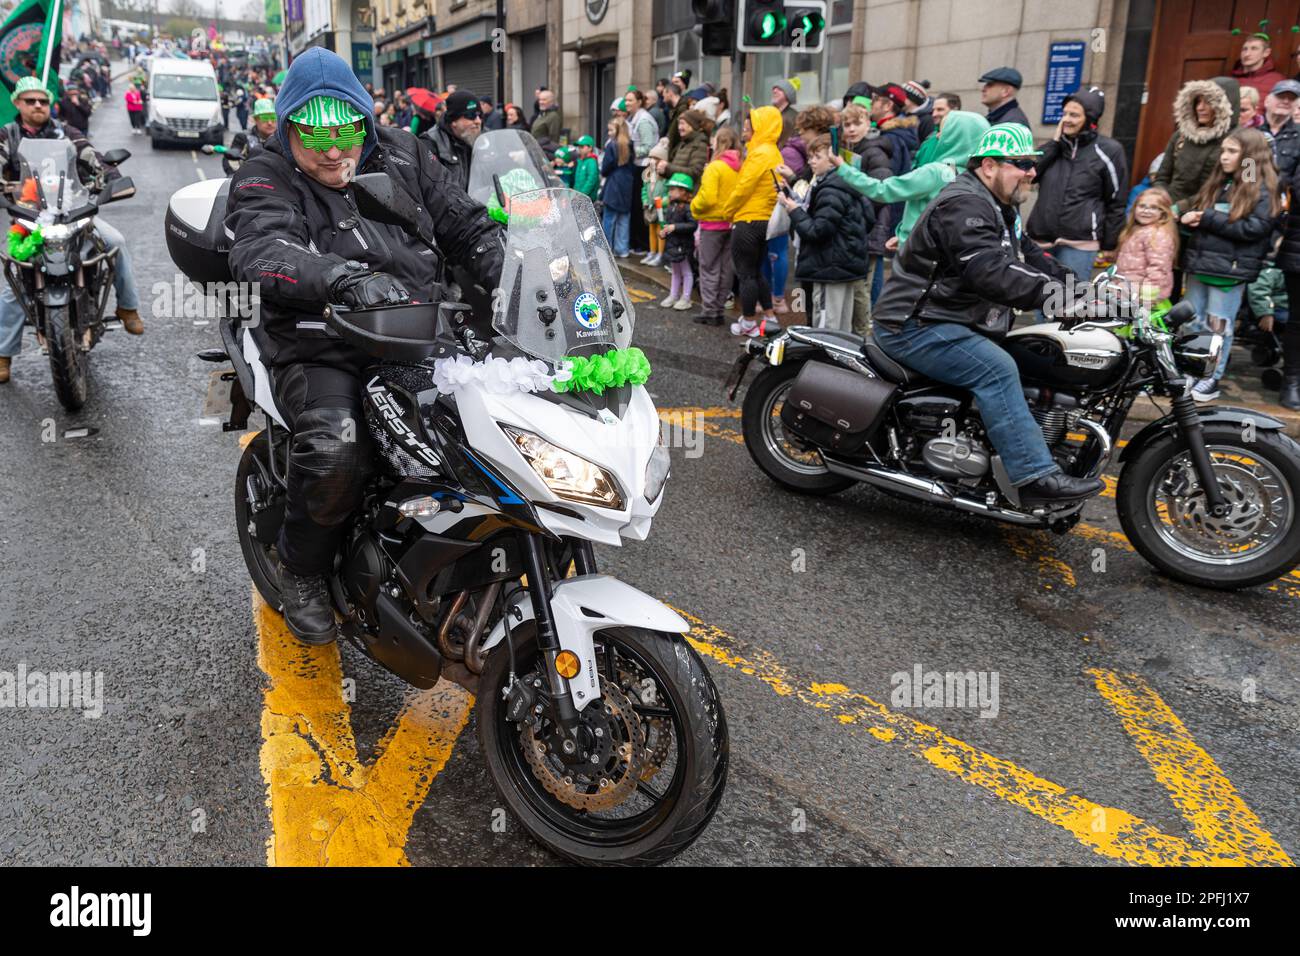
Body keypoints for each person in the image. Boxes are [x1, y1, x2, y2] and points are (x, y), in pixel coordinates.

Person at [223, 48, 504, 644]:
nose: (334, 151)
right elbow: (261, 249)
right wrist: (340, 278)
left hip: (421, 328)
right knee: (335, 447)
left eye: (347, 130)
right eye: (316, 134)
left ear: (364, 120)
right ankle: (300, 570)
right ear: (290, 124)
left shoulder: (404, 151)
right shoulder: (262, 173)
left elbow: (464, 223)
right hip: (320, 340)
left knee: (494, 435)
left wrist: (519, 271)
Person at [872, 123, 1103, 506]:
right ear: (989, 165)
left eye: (1032, 164)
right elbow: (987, 270)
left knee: (1041, 355)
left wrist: (1082, 289)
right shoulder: (965, 204)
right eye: (1021, 163)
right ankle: (1032, 476)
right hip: (913, 324)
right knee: (996, 369)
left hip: (956, 320)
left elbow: (1031, 256)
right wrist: (1056, 298)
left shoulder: (1001, 207)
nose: (1031, 172)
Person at [0, 77, 143, 385]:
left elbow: (93, 157)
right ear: (17, 103)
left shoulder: (67, 132)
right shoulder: (7, 136)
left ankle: (128, 307)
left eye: (42, 101)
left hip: (72, 211)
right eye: (30, 101)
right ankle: (3, 354)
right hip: (29, 219)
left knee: (116, 241)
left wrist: (110, 179)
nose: (38, 106)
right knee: (13, 278)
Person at [1179, 127, 1280, 401]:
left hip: (1228, 272)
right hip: (1201, 265)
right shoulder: (1221, 183)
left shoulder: (1257, 188)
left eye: (1232, 151)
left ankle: (1210, 378)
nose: (1224, 157)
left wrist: (1207, 218)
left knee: (1218, 326)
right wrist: (1190, 221)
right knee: (1192, 323)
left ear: (1249, 156)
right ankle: (1192, 371)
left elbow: (1253, 227)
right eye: (1223, 150)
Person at [1025, 88, 1129, 319]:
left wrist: (1110, 244)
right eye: (1065, 114)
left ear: (1089, 119)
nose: (1067, 120)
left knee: (1069, 307)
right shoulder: (1054, 149)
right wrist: (1053, 144)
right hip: (1042, 241)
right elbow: (1028, 174)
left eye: (1074, 115)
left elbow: (1116, 200)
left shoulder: (1109, 151)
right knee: (1042, 304)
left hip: (1079, 244)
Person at [780, 134, 872, 332]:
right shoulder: (847, 182)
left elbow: (817, 231)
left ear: (832, 160)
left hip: (828, 267)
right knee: (842, 326)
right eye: (810, 156)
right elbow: (869, 219)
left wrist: (794, 211)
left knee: (825, 327)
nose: (811, 161)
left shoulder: (830, 189)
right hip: (844, 265)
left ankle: (824, 362)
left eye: (817, 157)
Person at [721, 106, 783, 337]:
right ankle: (769, 316)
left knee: (746, 274)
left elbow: (743, 188)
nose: (744, 132)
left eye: (749, 128)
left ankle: (748, 323)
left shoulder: (760, 153)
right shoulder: (773, 151)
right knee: (757, 272)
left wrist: (727, 211)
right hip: (763, 220)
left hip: (747, 219)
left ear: (760, 129)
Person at [1151, 77, 1237, 212]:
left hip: (1211, 217)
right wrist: (1160, 197)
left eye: (1208, 102)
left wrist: (1182, 207)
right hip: (1169, 211)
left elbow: (1249, 184)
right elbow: (1162, 177)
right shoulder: (1181, 136)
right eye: (1198, 102)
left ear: (1225, 105)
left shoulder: (1247, 140)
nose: (1200, 108)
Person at [689, 125, 741, 325]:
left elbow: (707, 198)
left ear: (720, 142)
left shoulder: (715, 167)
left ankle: (710, 310)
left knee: (709, 267)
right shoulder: (740, 166)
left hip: (711, 223)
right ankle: (719, 308)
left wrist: (694, 205)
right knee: (726, 268)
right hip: (730, 222)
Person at [1114, 187, 1178, 307]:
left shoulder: (1158, 235)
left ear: (1163, 213)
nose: (1146, 211)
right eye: (1142, 206)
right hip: (1128, 293)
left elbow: (1158, 270)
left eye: (1153, 208)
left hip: (1143, 298)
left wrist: (1147, 298)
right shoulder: (1135, 230)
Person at [422, 90, 481, 191]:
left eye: (479, 115)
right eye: (471, 116)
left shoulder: (480, 137)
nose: (478, 121)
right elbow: (432, 190)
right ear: (454, 121)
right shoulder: (430, 143)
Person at [658, 173, 698, 311]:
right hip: (673, 244)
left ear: (682, 191)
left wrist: (674, 227)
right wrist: (664, 232)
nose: (669, 192)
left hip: (684, 245)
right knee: (675, 271)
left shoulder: (688, 208)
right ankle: (673, 295)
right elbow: (668, 224)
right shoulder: (671, 206)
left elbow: (693, 225)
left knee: (686, 272)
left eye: (672, 189)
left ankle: (686, 298)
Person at [600, 117, 637, 258]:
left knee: (609, 218)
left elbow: (605, 168)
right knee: (624, 218)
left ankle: (607, 248)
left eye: (610, 130)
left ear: (617, 130)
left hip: (614, 183)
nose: (609, 133)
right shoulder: (630, 144)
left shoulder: (612, 145)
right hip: (627, 183)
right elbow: (633, 166)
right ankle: (622, 249)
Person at [223, 97, 277, 174]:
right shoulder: (243, 138)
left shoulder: (284, 140)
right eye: (264, 118)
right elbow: (230, 162)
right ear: (255, 119)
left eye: (273, 117)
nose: (270, 122)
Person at [661, 108, 710, 191]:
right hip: (678, 193)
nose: (679, 128)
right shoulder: (683, 143)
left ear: (692, 126)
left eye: (683, 124)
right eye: (679, 124)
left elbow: (695, 172)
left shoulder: (699, 145)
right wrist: (664, 171)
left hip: (688, 194)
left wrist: (668, 167)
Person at [640, 138, 670, 266]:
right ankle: (652, 252)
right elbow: (644, 191)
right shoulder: (648, 176)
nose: (652, 161)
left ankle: (660, 254)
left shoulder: (665, 179)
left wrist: (662, 202)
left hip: (661, 209)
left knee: (660, 230)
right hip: (651, 208)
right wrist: (645, 200)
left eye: (655, 158)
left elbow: (669, 194)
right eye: (650, 157)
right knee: (651, 230)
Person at [1232, 32, 1287, 101]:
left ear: (1266, 53)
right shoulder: (1232, 80)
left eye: (1254, 49)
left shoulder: (1278, 81)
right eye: (1244, 49)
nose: (1247, 54)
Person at [911, 92, 960, 168]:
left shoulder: (959, 140)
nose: (934, 114)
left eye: (940, 110)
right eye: (933, 110)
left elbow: (951, 175)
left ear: (954, 111)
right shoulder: (931, 137)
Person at [771, 78, 799, 146]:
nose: (774, 91)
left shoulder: (794, 117)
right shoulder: (771, 114)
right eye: (774, 89)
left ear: (788, 95)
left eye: (780, 89)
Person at [573, 135, 601, 202]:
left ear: (590, 148)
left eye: (582, 146)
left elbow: (591, 180)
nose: (579, 148)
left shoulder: (591, 161)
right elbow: (577, 181)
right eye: (578, 146)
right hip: (578, 197)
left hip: (586, 199)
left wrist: (582, 194)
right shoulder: (580, 161)